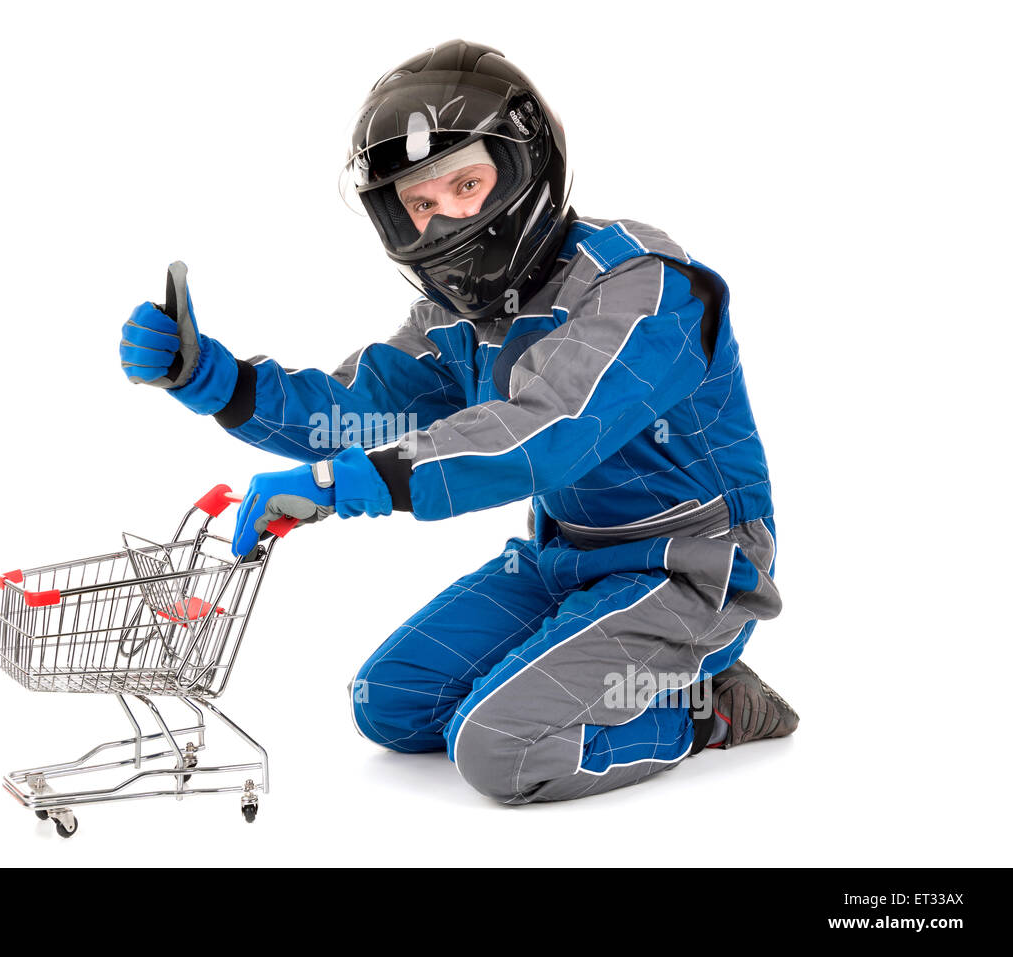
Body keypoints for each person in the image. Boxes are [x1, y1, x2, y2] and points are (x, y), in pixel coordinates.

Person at [119, 39, 798, 805]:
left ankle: (709, 709)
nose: (443, 223)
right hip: (563, 560)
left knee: (498, 749)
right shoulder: (458, 318)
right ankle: (601, 668)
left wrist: (339, 487)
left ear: (523, 171)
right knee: (391, 703)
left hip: (690, 570)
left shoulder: (644, 286)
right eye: (420, 204)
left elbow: (545, 432)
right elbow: (357, 413)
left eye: (466, 185)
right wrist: (219, 381)